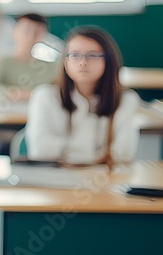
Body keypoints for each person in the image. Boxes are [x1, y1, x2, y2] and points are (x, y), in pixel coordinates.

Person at [24, 25, 140, 166]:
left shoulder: (126, 99)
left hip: (103, 178)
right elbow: (40, 150)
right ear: (65, 61)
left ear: (109, 60)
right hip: (55, 176)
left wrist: (63, 150)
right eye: (74, 55)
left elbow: (125, 153)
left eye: (93, 55)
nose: (83, 63)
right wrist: (97, 155)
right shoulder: (44, 96)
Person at [0, 13, 58, 107]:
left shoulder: (50, 64)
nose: (30, 37)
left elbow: (58, 90)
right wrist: (15, 94)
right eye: (26, 31)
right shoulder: (2, 59)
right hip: (7, 110)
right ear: (14, 31)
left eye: (37, 33)